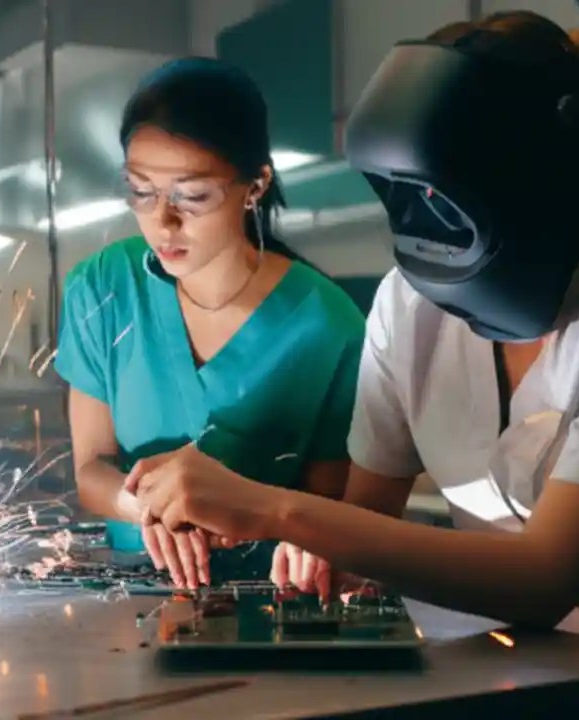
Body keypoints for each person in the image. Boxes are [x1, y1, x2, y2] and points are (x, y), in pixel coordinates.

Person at [127, 12, 579, 718]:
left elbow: (545, 577)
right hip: (545, 675)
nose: (422, 232)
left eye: (438, 198)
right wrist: (309, 547)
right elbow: (365, 521)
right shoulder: (408, 303)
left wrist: (273, 508)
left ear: (527, 176)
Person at [54, 57, 365, 589]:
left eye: (193, 196)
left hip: (269, 598)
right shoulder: (103, 288)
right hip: (128, 591)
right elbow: (90, 470)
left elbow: (330, 510)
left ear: (255, 185)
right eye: (141, 191)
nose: (163, 221)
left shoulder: (328, 327)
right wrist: (151, 510)